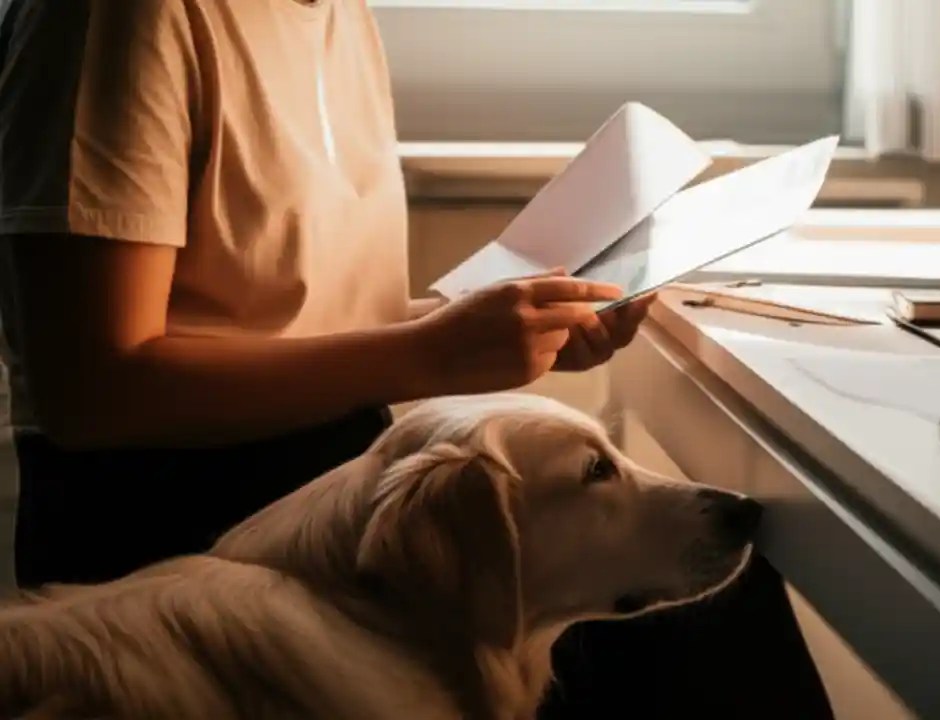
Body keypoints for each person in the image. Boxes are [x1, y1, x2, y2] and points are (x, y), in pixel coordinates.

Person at [0, 1, 834, 718]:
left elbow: (308, 323)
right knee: (710, 619)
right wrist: (428, 352)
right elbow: (95, 391)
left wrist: (485, 332)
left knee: (716, 583)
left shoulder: (337, 18)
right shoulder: (120, 18)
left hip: (334, 492)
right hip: (180, 515)